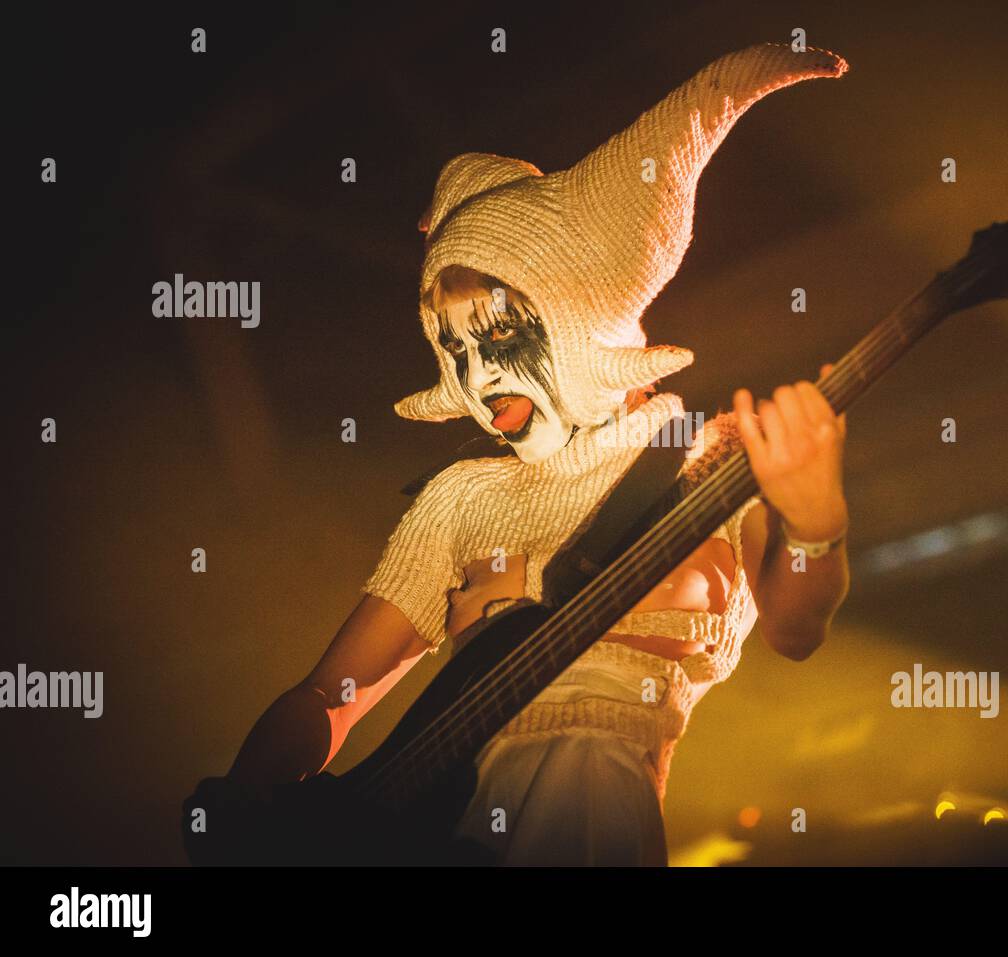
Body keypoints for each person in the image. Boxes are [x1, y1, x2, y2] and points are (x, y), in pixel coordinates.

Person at [192, 41, 852, 866]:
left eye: (500, 332)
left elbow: (795, 628)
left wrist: (816, 514)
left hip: (598, 799)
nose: (479, 374)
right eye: (456, 350)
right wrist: (244, 811)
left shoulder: (706, 463)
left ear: (584, 311)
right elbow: (330, 695)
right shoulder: (461, 499)